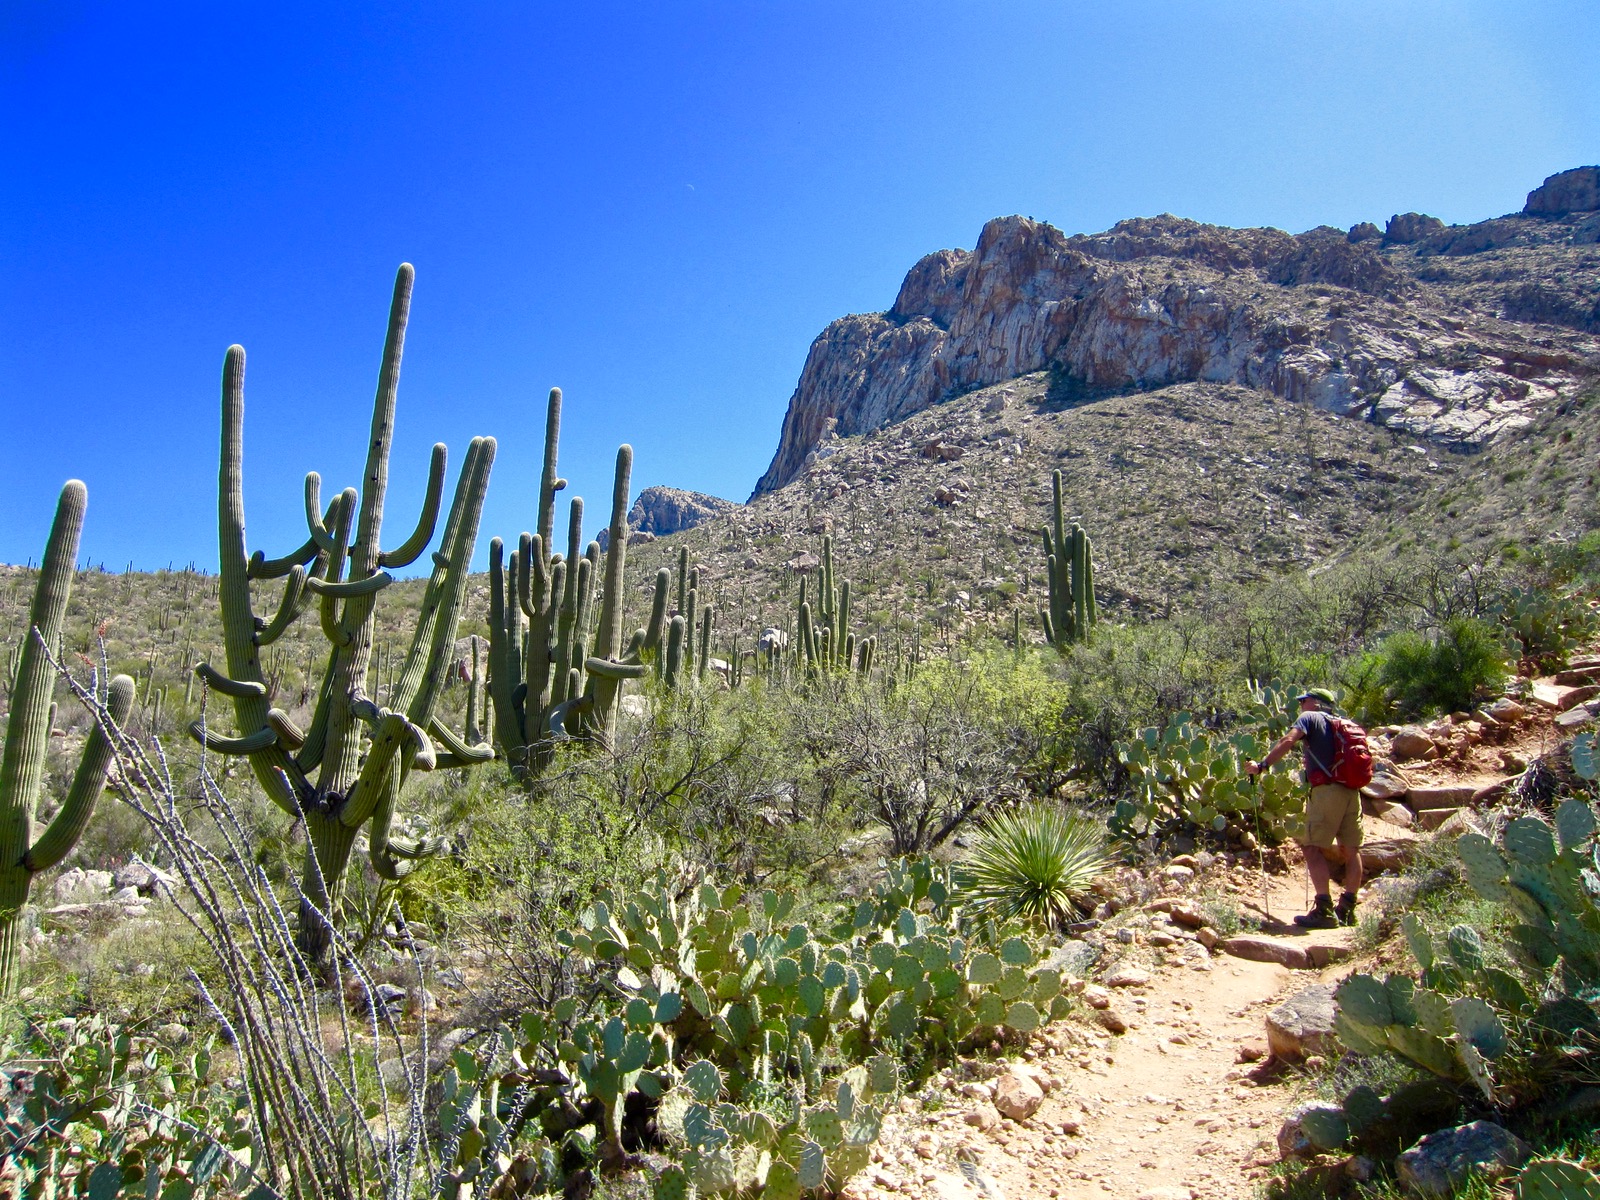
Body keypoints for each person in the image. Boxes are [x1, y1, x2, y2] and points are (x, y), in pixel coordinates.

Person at [1246, 688, 1363, 929]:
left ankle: (1324, 910)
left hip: (1327, 791)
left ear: (1316, 703)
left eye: (1304, 701)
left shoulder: (1309, 718)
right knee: (1351, 851)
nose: (1301, 705)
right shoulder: (1344, 723)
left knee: (1311, 848)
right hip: (1352, 792)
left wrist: (1262, 765)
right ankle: (1348, 909)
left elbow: (1288, 740)